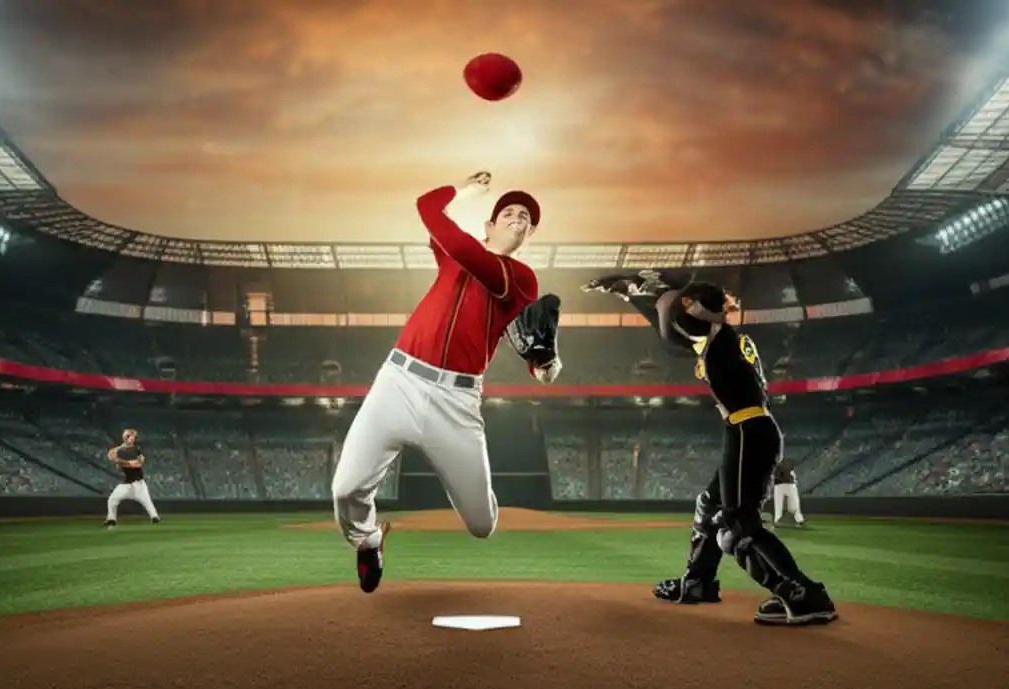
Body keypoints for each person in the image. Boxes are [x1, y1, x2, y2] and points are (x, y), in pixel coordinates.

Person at [332, 171, 559, 593]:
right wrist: (467, 189)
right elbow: (427, 206)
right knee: (346, 488)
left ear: (530, 233)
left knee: (481, 524)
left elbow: (521, 329)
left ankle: (474, 503)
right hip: (398, 381)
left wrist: (542, 359)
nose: (517, 217)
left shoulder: (523, 279)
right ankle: (368, 540)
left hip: (456, 401)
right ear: (488, 226)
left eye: (525, 216)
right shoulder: (457, 254)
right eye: (507, 211)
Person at [583, 273, 836, 626]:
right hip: (746, 429)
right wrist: (636, 294)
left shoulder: (718, 336)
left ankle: (802, 593)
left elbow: (675, 322)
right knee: (710, 504)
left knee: (736, 524)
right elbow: (673, 322)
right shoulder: (718, 340)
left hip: (749, 429)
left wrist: (643, 290)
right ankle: (698, 583)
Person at [104, 428, 160, 528]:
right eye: (129, 436)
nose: (131, 439)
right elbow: (111, 455)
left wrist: (119, 461)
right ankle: (111, 519)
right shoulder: (120, 450)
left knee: (147, 502)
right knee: (112, 499)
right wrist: (115, 458)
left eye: (132, 437)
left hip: (139, 484)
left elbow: (137, 464)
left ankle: (155, 518)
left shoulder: (137, 450)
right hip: (127, 484)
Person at [772, 458, 805, 527]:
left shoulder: (787, 468)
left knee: (794, 503)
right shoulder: (777, 467)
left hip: (789, 484)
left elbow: (791, 476)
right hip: (780, 484)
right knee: (780, 503)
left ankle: (798, 519)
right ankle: (778, 520)